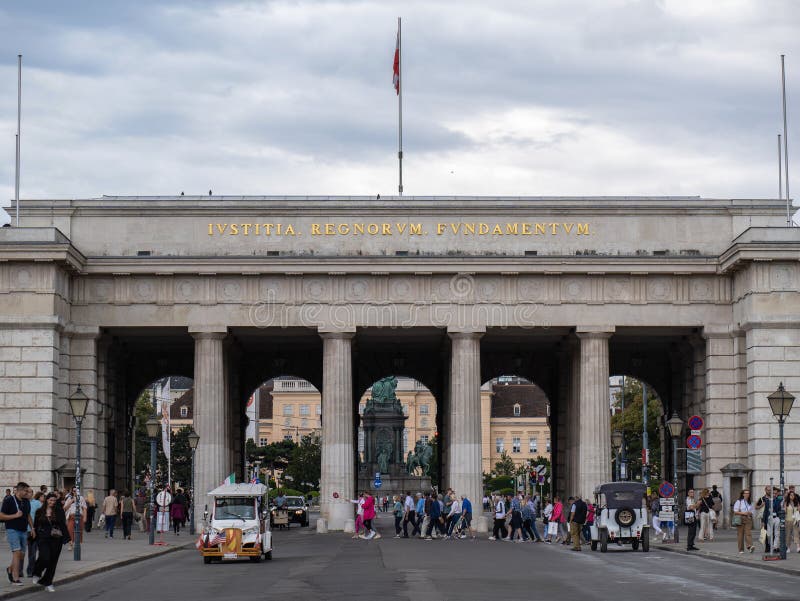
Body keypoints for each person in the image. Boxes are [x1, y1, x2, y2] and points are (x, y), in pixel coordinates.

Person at [31, 493, 68, 593]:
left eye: (54, 501)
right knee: (45, 557)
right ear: (46, 500)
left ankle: (48, 583)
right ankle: (37, 572)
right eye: (50, 500)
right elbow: (35, 524)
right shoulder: (40, 511)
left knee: (53, 562)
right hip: (43, 538)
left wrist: (67, 538)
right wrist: (34, 534)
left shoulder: (59, 511)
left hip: (56, 539)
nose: (52, 502)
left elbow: (63, 524)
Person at [0, 481, 34, 586]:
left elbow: (28, 515)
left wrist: (33, 528)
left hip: (24, 530)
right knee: (17, 552)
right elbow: (1, 516)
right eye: (26, 491)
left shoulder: (26, 501)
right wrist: (14, 516)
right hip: (12, 530)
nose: (28, 493)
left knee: (21, 555)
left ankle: (10, 569)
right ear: (20, 490)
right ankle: (15, 579)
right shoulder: (9, 500)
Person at [25, 490, 43, 578]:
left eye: (29, 492)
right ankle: (19, 571)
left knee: (32, 552)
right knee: (21, 552)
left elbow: (43, 514)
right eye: (26, 492)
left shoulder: (37, 503)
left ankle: (30, 571)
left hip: (34, 530)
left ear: (32, 494)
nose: (28, 494)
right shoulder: (23, 502)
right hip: (23, 530)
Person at [733, 489, 755, 554]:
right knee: (740, 534)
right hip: (740, 518)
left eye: (748, 493)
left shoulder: (750, 502)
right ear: (743, 494)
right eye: (745, 493)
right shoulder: (739, 501)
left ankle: (750, 546)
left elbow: (753, 511)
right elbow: (735, 511)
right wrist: (744, 513)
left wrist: (750, 513)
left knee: (748, 533)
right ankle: (741, 549)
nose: (747, 494)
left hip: (748, 518)